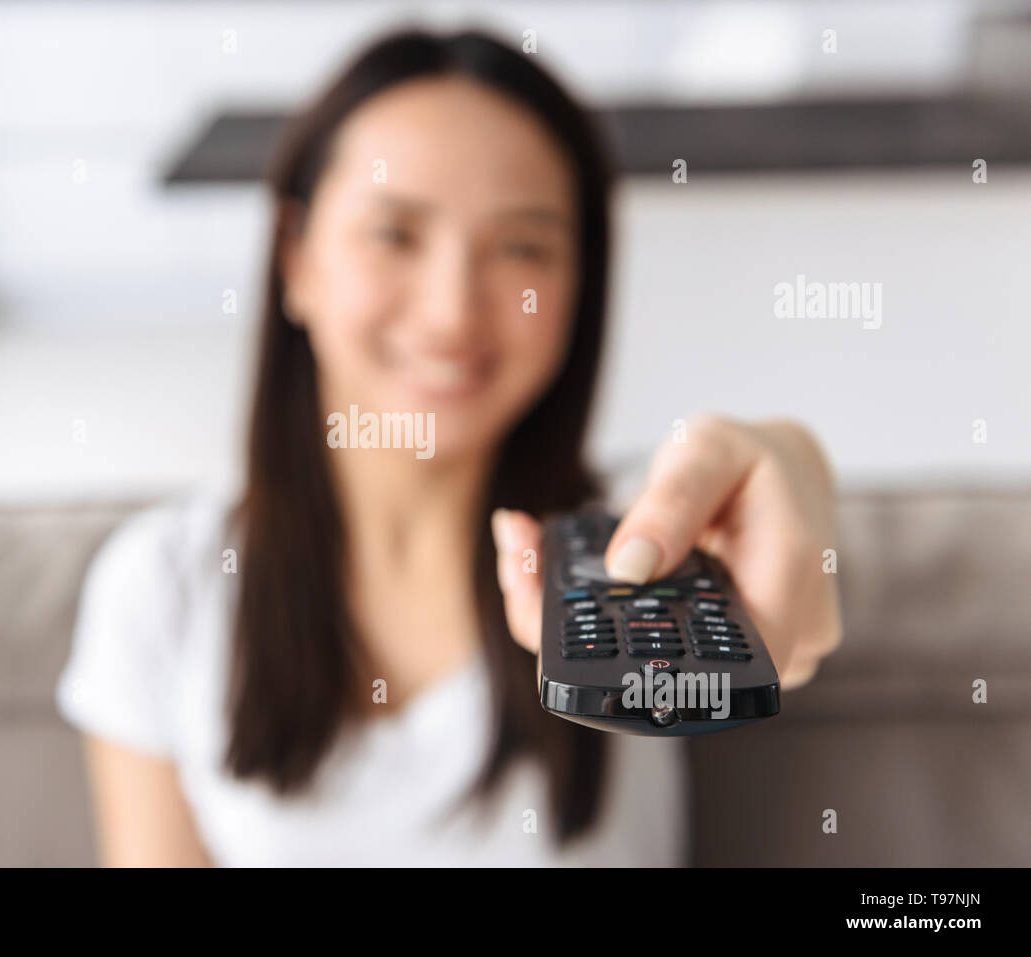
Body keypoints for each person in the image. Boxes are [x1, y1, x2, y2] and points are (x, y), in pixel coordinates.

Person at [56, 28, 842, 866]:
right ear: (296, 255)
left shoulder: (640, 540)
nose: (451, 312)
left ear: (582, 283)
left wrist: (791, 461)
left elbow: (792, 558)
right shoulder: (162, 586)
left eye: (522, 247)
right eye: (395, 234)